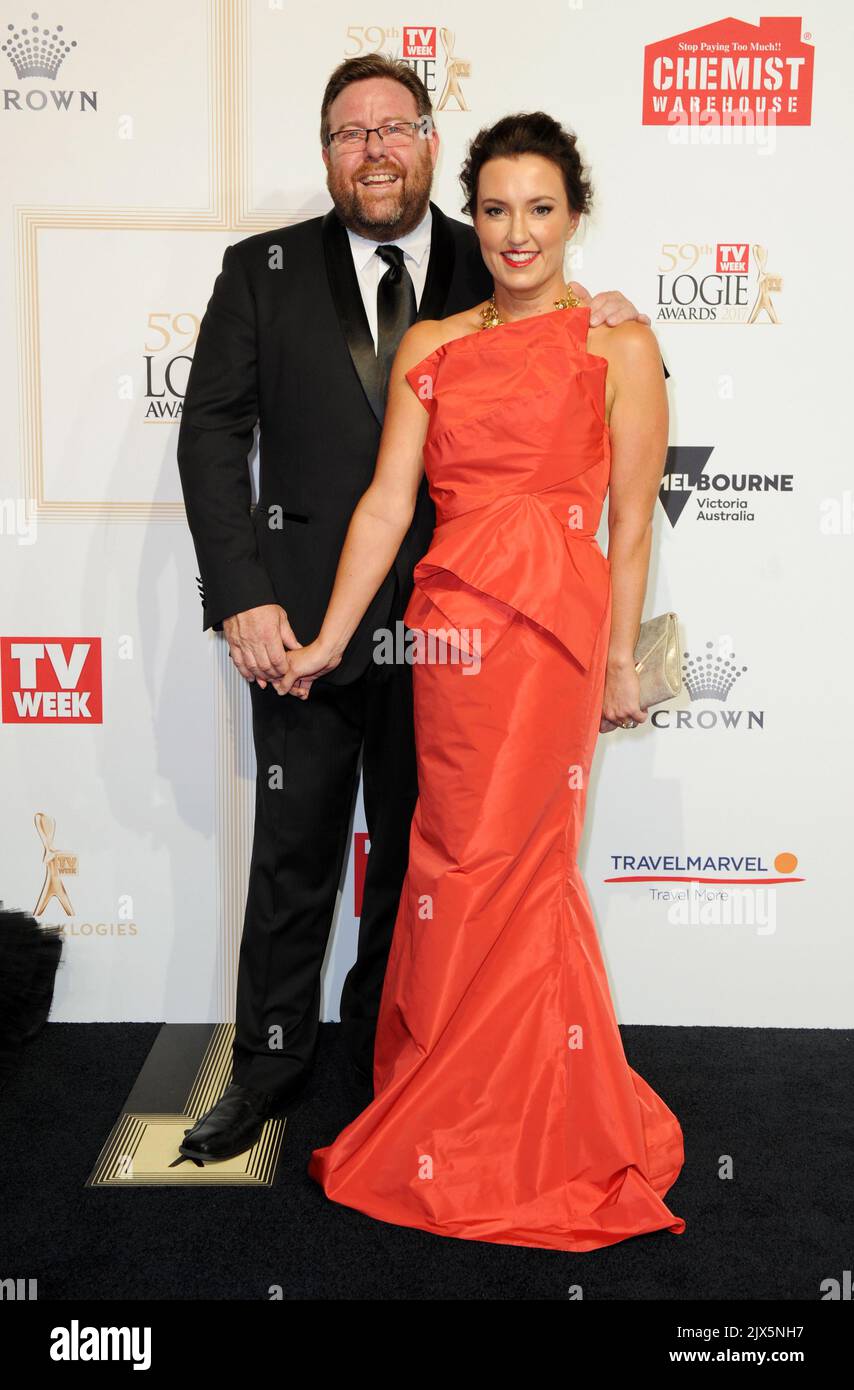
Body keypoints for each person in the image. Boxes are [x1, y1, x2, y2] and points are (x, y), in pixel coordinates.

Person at [175, 53, 652, 1166]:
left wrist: (612, 307)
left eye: (395, 128)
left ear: (430, 144)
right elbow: (212, 436)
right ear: (325, 152)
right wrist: (246, 597)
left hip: (480, 636)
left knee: (426, 863)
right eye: (351, 132)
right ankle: (267, 1073)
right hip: (315, 613)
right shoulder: (262, 270)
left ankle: (395, 1070)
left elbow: (571, 357)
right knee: (293, 855)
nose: (375, 149)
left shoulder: (495, 257)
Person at [279, 110, 686, 1251]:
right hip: (453, 637)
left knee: (524, 868)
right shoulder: (433, 345)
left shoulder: (618, 343)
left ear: (574, 215)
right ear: (473, 215)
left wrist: (619, 662)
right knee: (451, 859)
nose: (518, 232)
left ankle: (534, 1120)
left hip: (555, 637)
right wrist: (328, 637)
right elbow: (386, 505)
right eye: (497, 208)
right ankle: (449, 1103)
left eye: (540, 208)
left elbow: (632, 522)